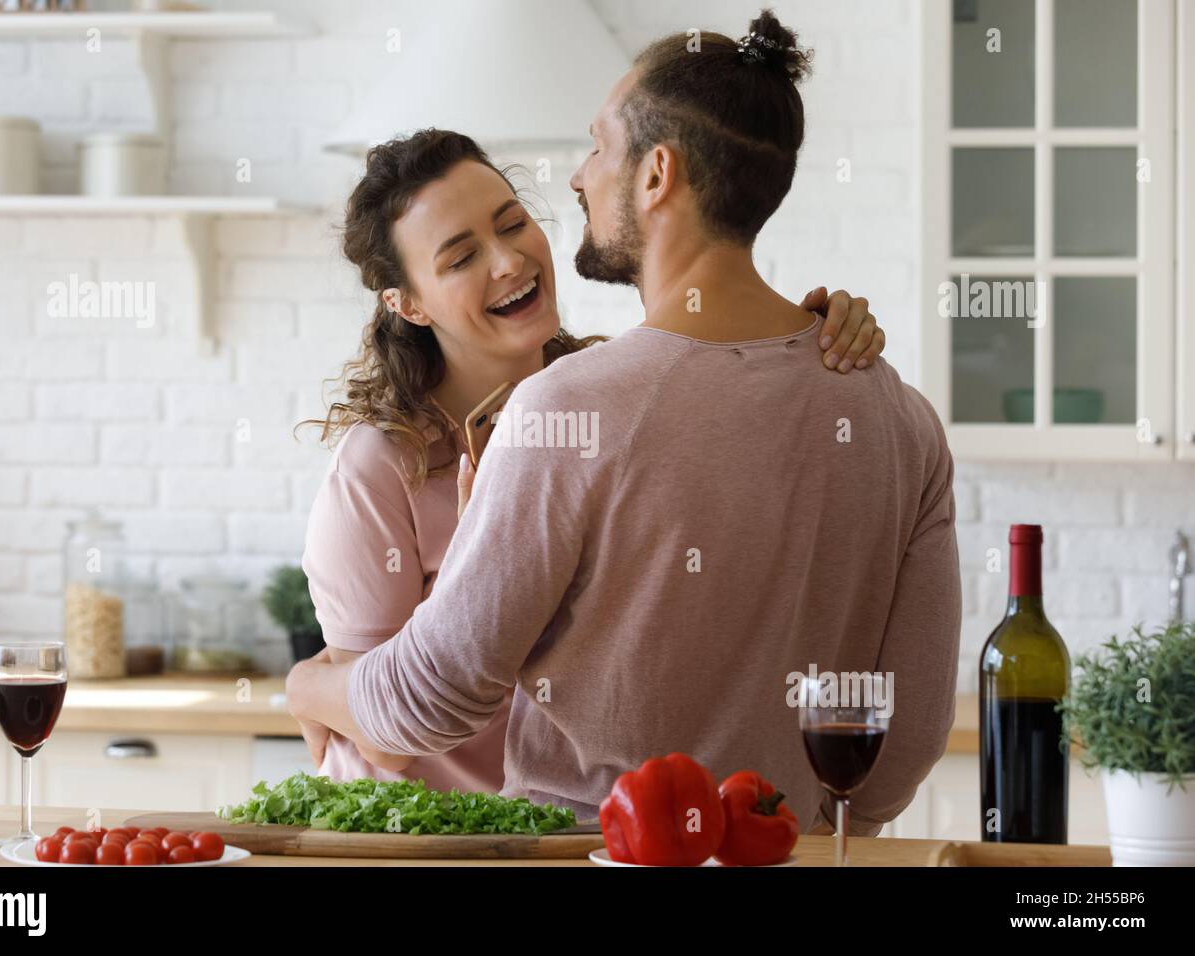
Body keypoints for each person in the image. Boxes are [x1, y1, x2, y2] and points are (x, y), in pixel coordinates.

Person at [290, 9, 960, 837]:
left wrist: (306, 686)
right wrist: (808, 831)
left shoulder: (566, 408)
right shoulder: (900, 417)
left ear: (656, 176)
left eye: (599, 147)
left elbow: (432, 696)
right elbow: (910, 731)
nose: (577, 178)